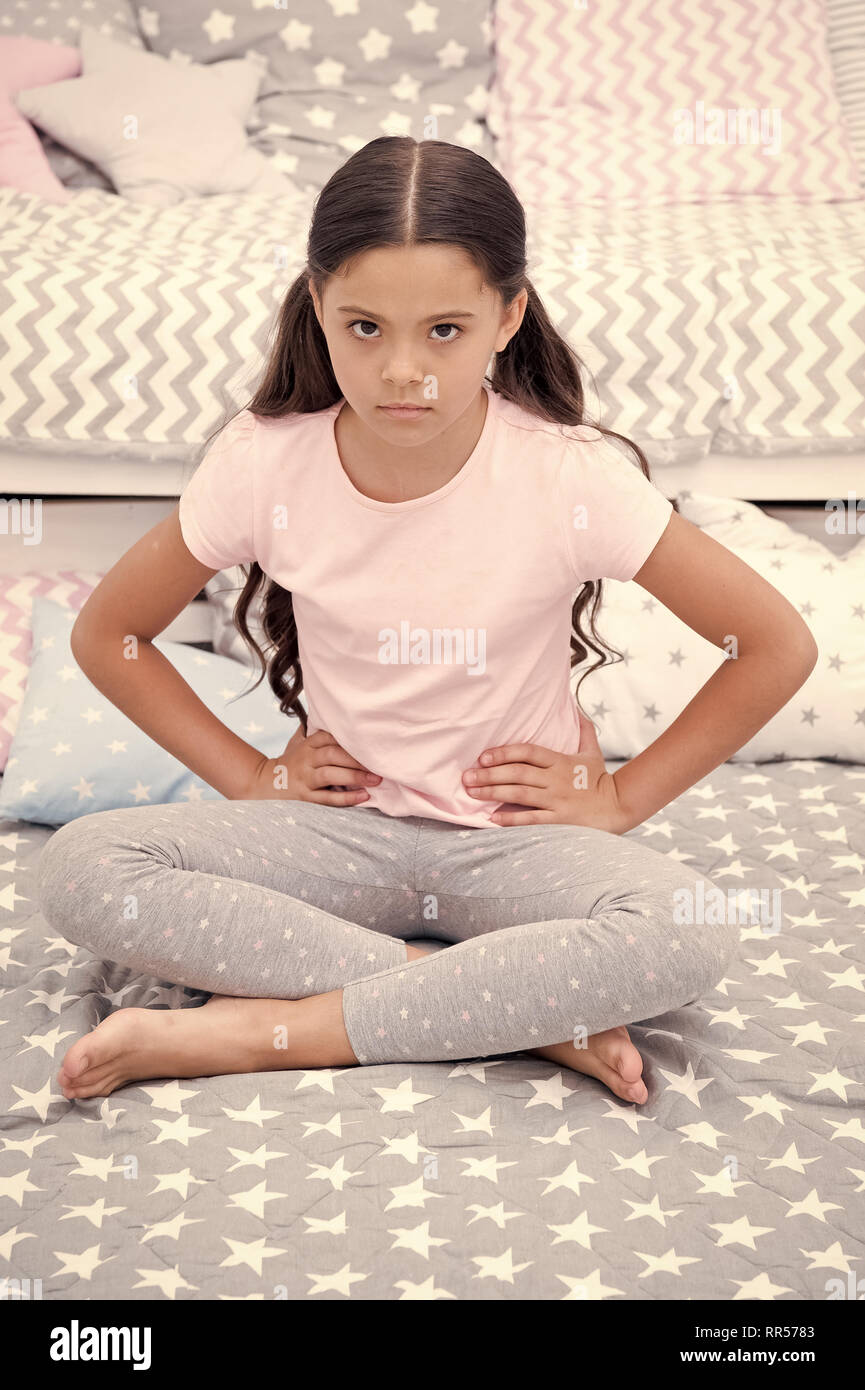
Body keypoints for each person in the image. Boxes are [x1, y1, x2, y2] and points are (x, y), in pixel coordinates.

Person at [36, 136, 817, 1105]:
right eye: (364, 327)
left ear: (507, 316)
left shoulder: (567, 476)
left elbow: (774, 643)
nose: (402, 369)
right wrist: (252, 775)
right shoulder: (263, 463)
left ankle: (279, 1031)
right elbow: (108, 634)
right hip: (340, 837)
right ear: (317, 304)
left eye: (443, 330)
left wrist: (618, 801)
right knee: (81, 868)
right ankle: (492, 1002)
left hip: (512, 844)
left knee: (691, 924)